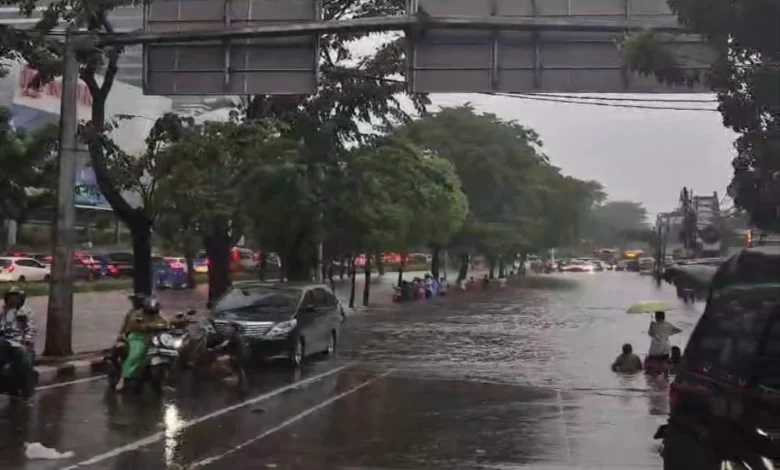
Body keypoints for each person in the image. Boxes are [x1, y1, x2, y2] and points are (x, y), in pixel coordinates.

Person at [114, 296, 169, 392]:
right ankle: (122, 379)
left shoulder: (158, 315)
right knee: (135, 355)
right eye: (150, 312)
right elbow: (134, 324)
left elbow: (166, 322)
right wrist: (145, 326)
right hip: (138, 337)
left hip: (154, 337)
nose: (152, 314)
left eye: (154, 311)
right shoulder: (136, 314)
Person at [0, 286, 37, 397]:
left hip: (19, 343)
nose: (13, 300)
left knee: (22, 355)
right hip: (5, 342)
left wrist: (27, 340)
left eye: (16, 298)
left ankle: (26, 389)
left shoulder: (25, 312)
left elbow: (31, 329)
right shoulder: (2, 311)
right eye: (11, 298)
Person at [646, 311, 682, 375]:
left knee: (653, 368)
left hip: (655, 349)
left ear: (656, 317)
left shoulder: (653, 325)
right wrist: (668, 334)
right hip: (666, 347)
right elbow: (679, 330)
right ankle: (666, 378)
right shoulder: (668, 324)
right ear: (664, 317)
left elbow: (650, 334)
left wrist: (651, 326)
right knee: (665, 367)